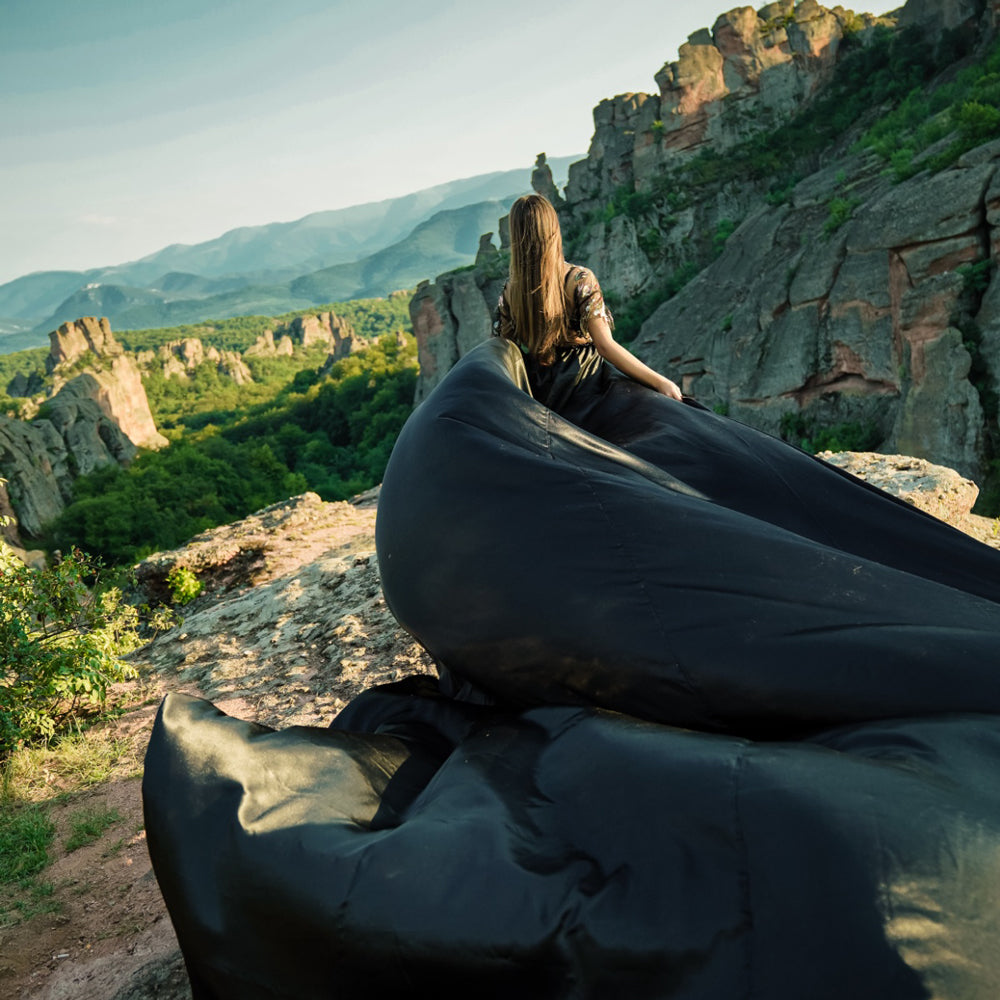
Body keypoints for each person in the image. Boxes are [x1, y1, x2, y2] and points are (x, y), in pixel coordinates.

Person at [494, 193, 683, 401]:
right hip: (586, 385)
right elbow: (605, 346)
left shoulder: (509, 292)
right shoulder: (579, 280)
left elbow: (505, 351)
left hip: (542, 392)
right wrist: (660, 382)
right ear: (553, 231)